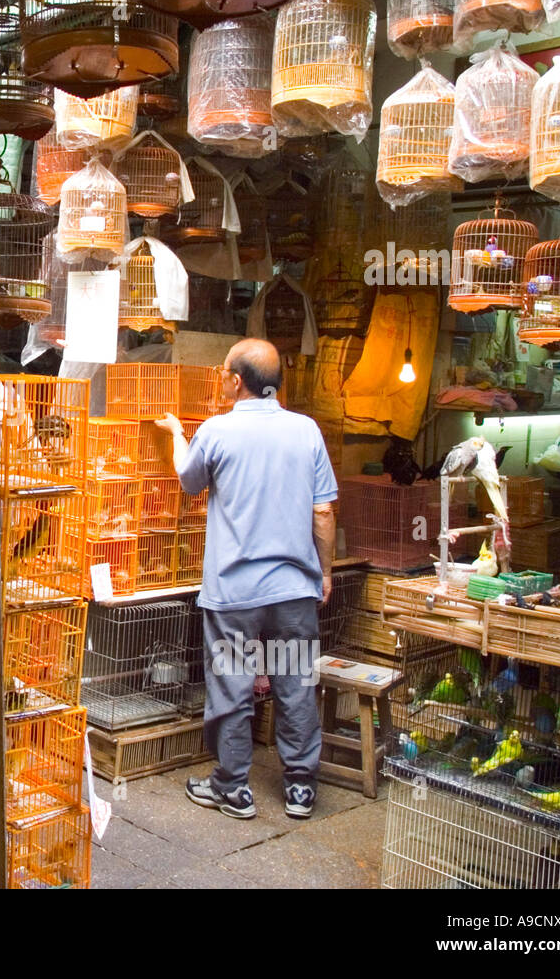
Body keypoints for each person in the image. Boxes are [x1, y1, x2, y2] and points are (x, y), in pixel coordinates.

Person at [155, 339, 337, 820]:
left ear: (237, 381)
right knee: (295, 684)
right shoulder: (307, 430)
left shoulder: (217, 431)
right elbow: (323, 511)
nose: (220, 380)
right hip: (294, 590)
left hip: (234, 593)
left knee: (233, 687)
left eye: (222, 373)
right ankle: (300, 787)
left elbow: (189, 480)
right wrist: (325, 571)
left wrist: (177, 432)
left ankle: (233, 788)